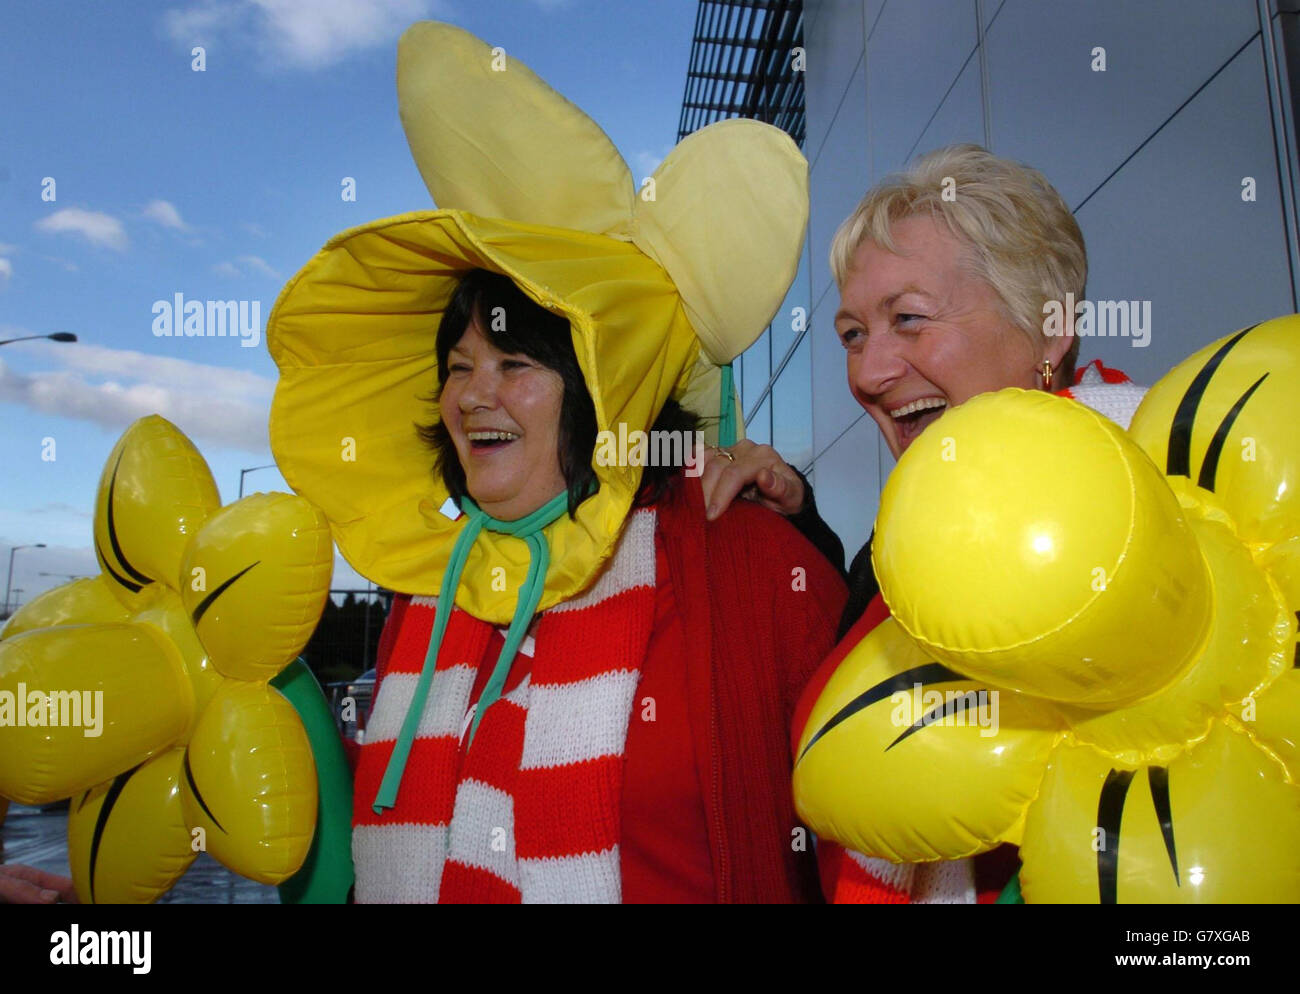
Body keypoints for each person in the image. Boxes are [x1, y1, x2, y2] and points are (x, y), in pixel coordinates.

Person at [702, 143, 1147, 902]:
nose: (870, 375)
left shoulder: (1172, 512)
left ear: (1049, 327)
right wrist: (801, 526)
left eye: (908, 319)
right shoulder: (906, 550)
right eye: (852, 334)